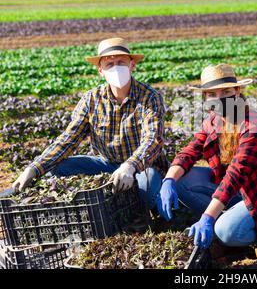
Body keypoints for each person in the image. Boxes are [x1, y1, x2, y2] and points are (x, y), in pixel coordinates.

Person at [4, 38, 167, 211]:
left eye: (120, 62)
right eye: (109, 64)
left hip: (143, 167)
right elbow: (68, 139)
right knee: (56, 169)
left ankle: (142, 210)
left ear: (132, 65)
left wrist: (130, 165)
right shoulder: (91, 99)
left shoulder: (150, 97)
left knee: (147, 189)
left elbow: (153, 140)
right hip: (106, 164)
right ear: (100, 71)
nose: (116, 68)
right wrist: (34, 168)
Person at [157, 63, 257, 249]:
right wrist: (168, 180)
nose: (218, 99)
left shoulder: (254, 126)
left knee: (226, 232)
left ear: (236, 91)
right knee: (180, 180)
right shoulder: (213, 121)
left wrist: (207, 217)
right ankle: (223, 214)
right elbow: (190, 150)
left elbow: (236, 174)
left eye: (225, 92)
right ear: (205, 97)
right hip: (234, 191)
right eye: (212, 94)